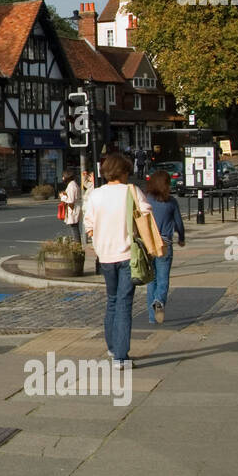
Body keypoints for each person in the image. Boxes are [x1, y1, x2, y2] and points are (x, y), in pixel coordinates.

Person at [83, 151, 153, 367]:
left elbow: (89, 226)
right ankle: (121, 357)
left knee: (112, 300)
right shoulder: (131, 191)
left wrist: (101, 239)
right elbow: (147, 216)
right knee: (124, 303)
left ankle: (113, 348)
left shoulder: (95, 195)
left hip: (105, 255)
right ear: (122, 172)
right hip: (127, 254)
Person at [144, 170, 185, 324]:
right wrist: (181, 238)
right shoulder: (171, 202)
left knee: (151, 280)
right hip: (165, 244)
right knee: (163, 279)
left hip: (149, 244)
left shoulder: (147, 200)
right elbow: (178, 223)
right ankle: (159, 300)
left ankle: (151, 318)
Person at [57, 169, 81, 244]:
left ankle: (77, 244)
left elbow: (70, 200)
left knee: (74, 227)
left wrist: (62, 197)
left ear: (67, 177)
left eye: (63, 176)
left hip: (73, 208)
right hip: (74, 208)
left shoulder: (71, 186)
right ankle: (77, 243)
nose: (62, 178)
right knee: (74, 226)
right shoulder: (72, 184)